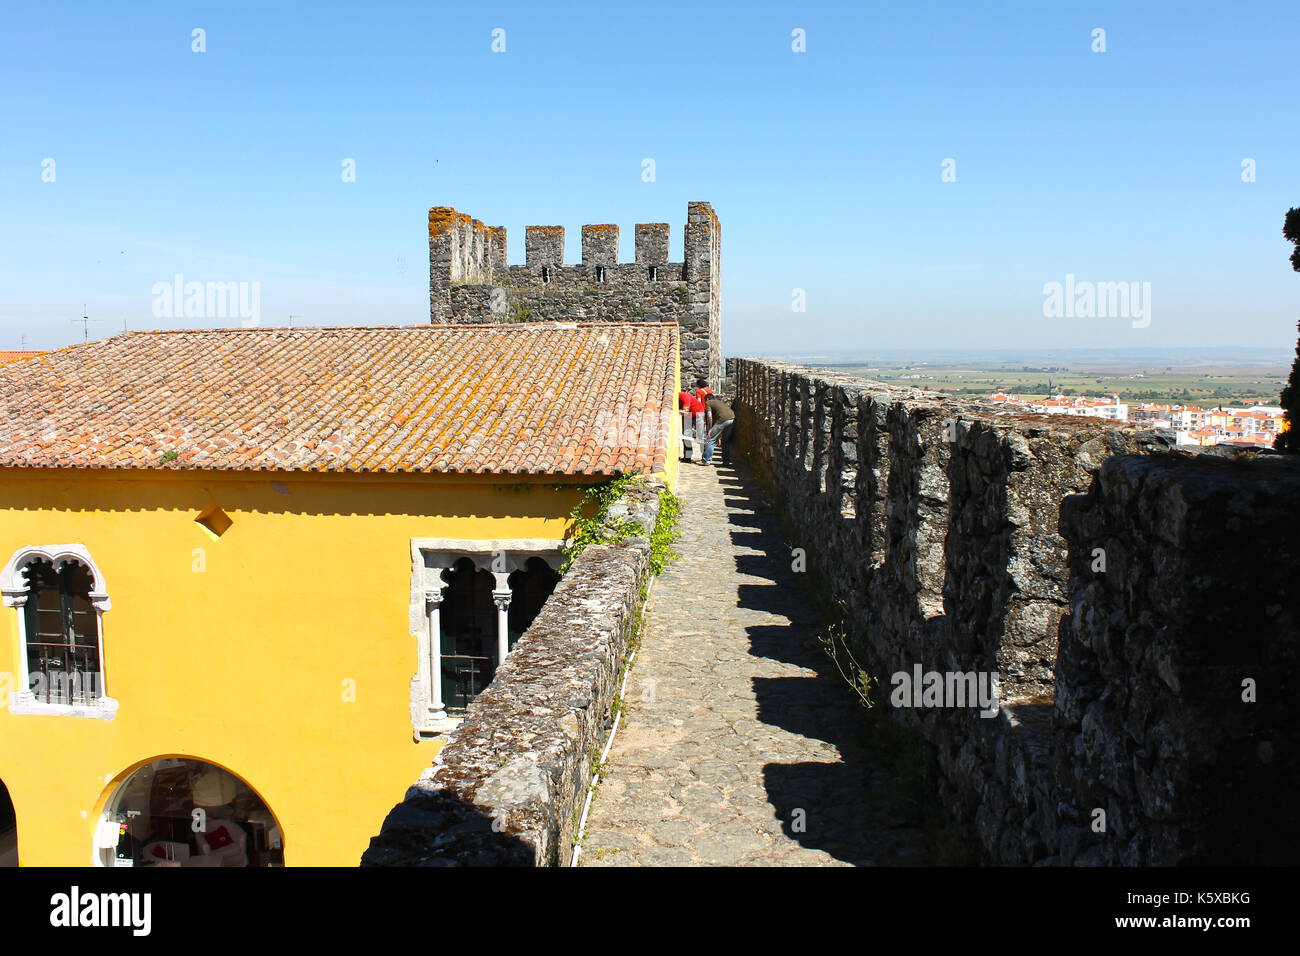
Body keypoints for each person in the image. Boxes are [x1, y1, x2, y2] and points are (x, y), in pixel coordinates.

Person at [702, 394, 735, 466]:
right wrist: (719, 437)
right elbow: (720, 424)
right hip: (732, 419)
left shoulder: (708, 402)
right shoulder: (719, 402)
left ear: (707, 399)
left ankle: (706, 460)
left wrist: (710, 429)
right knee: (725, 441)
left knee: (710, 439)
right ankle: (726, 461)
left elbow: (709, 416)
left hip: (723, 419)